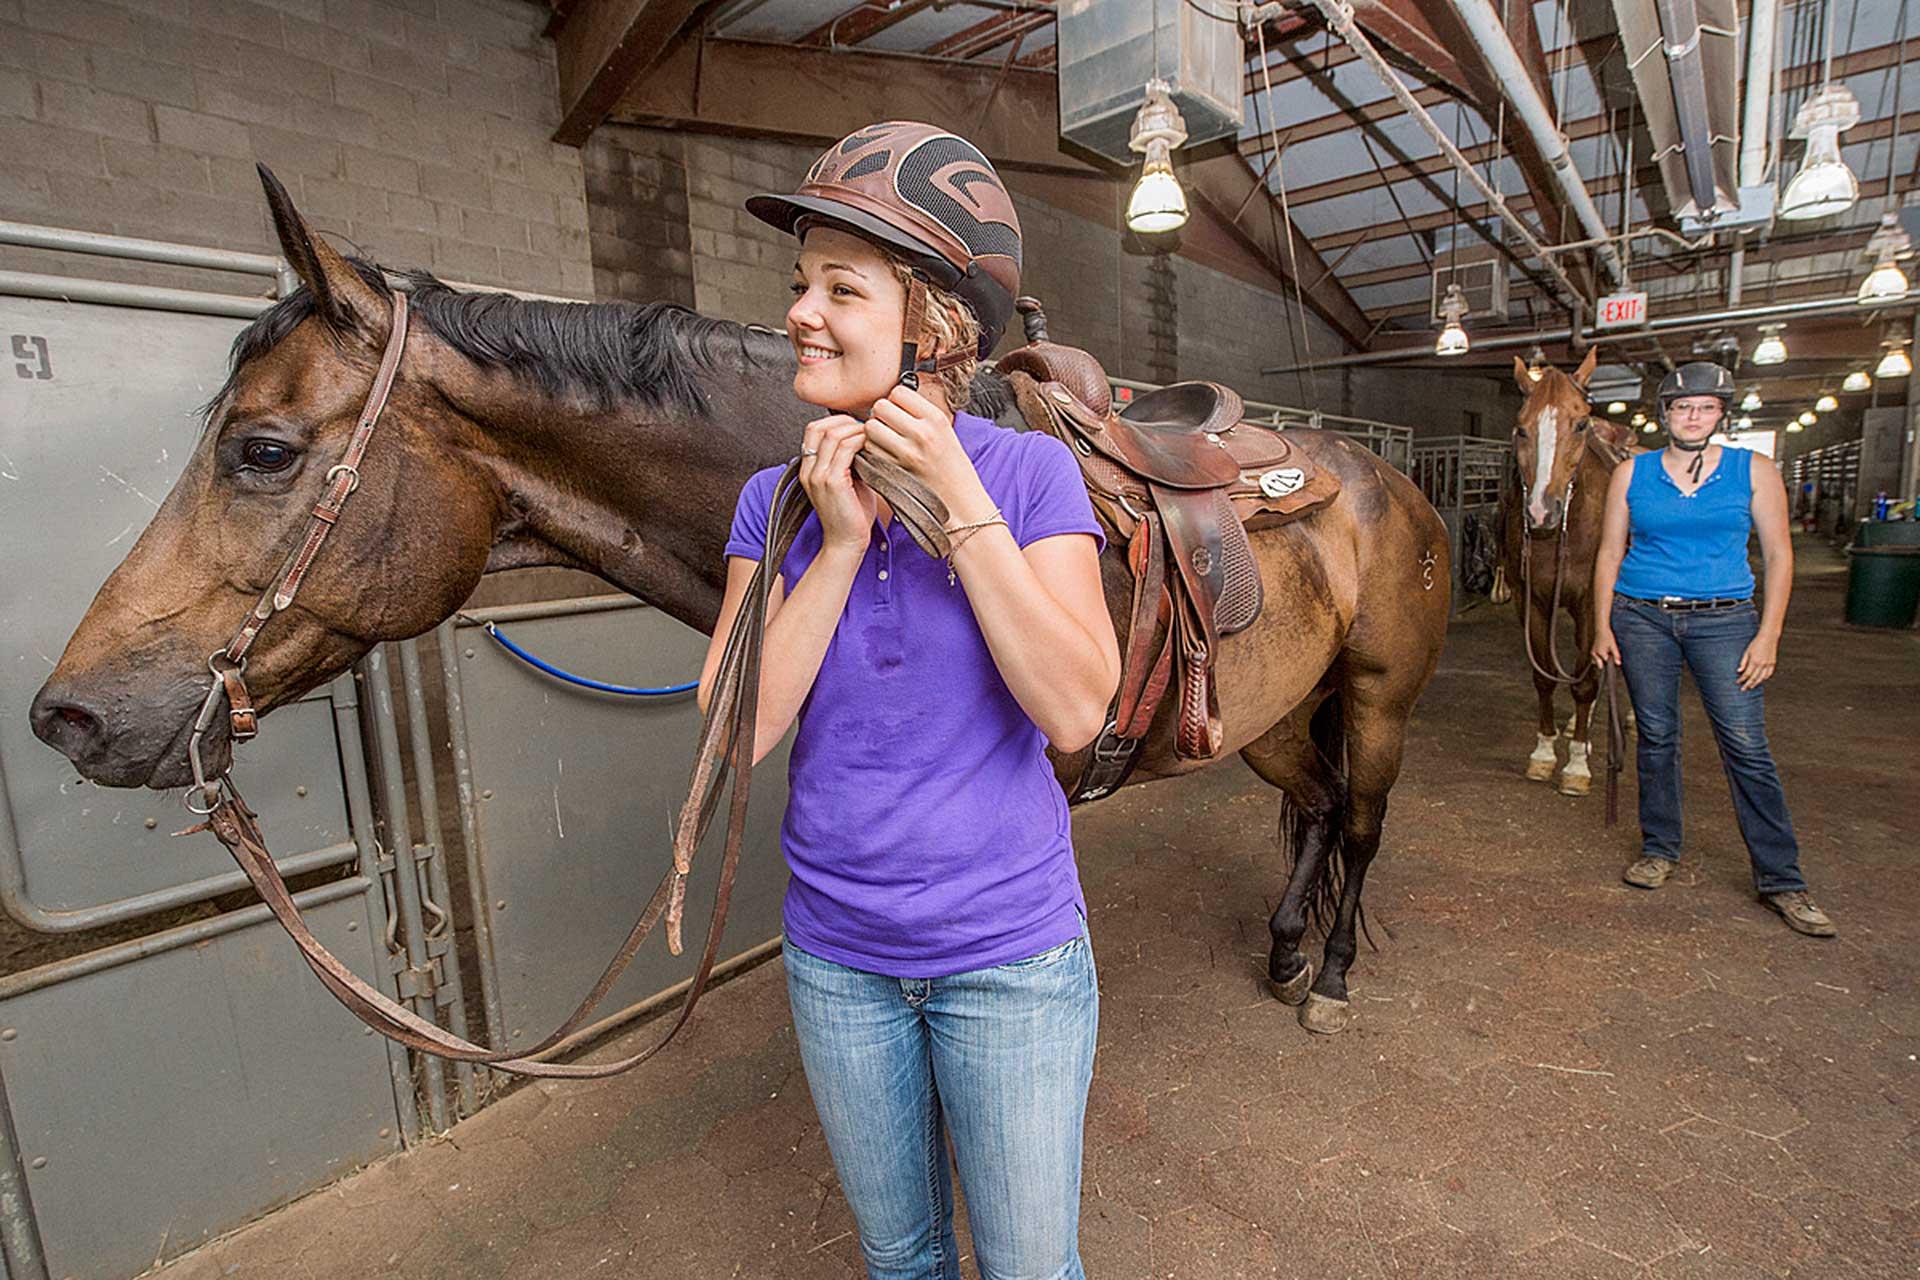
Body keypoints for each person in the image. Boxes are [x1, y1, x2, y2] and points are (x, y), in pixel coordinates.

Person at [697, 121, 1121, 1278]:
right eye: (801, 282)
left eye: (842, 287)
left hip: (1010, 956)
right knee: (903, 1260)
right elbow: (735, 732)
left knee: (1029, 1267)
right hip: (840, 960)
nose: (800, 311)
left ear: (932, 325)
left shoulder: (1030, 474)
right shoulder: (776, 502)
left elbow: (1076, 709)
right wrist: (836, 545)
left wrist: (956, 497)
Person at [1591, 362, 1835, 937]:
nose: (1693, 417)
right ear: (1666, 414)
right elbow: (1609, 552)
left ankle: (1781, 878)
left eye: (1705, 408)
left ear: (1721, 414)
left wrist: (1768, 634)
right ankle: (1659, 847)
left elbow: (1779, 555)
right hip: (1642, 617)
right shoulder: (1632, 473)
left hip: (1725, 620)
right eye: (1682, 407)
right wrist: (1602, 626)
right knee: (1656, 736)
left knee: (1746, 745)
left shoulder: (1754, 471)